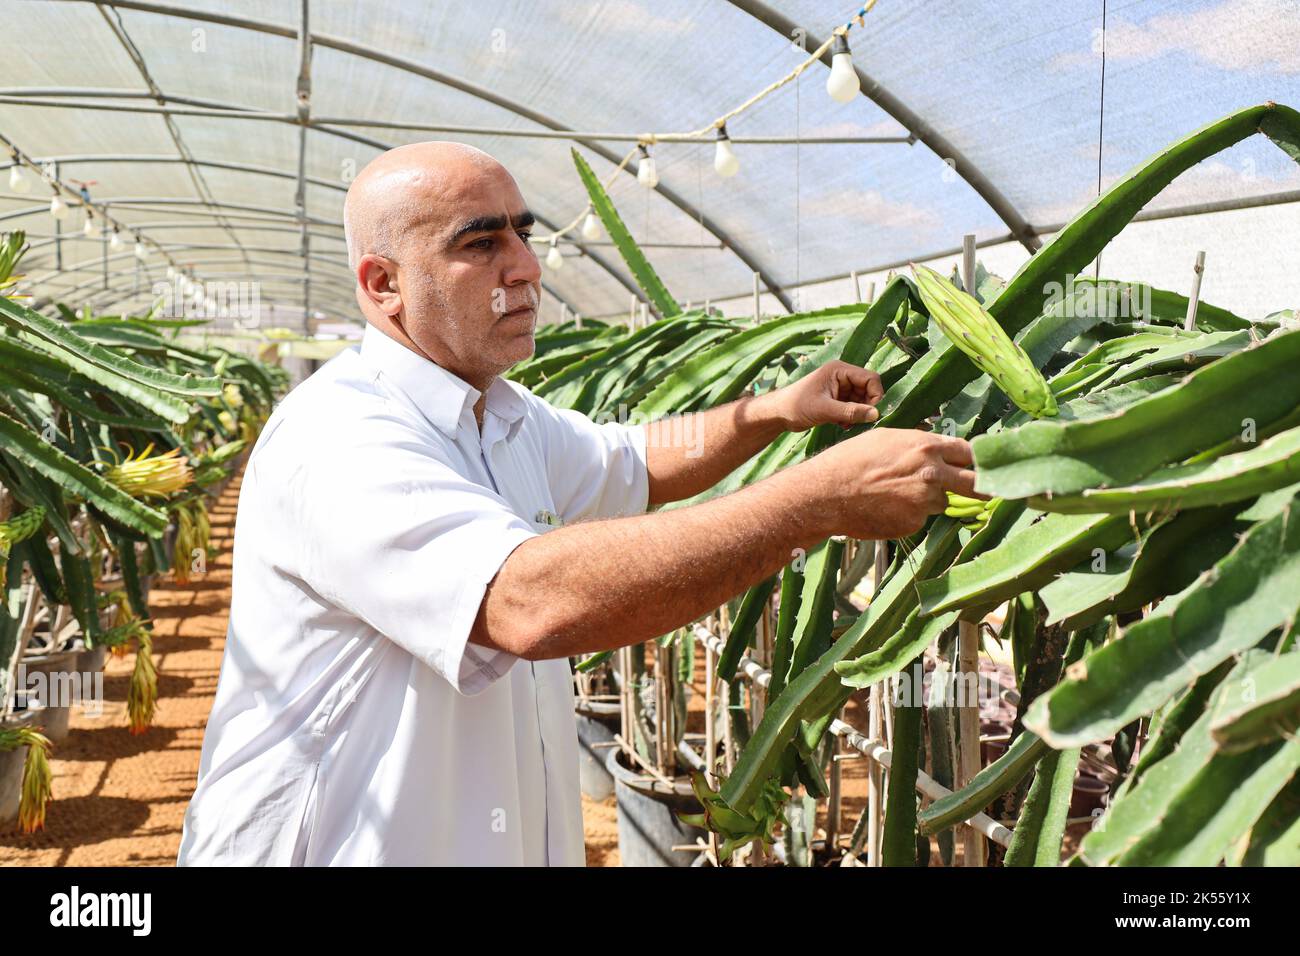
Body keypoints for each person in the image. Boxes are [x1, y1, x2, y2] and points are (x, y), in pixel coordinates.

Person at [176, 141, 977, 866]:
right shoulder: (340, 437)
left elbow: (634, 457)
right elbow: (531, 601)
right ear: (383, 284)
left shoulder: (503, 415)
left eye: (522, 234)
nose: (525, 265)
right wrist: (815, 503)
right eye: (480, 243)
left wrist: (772, 411)